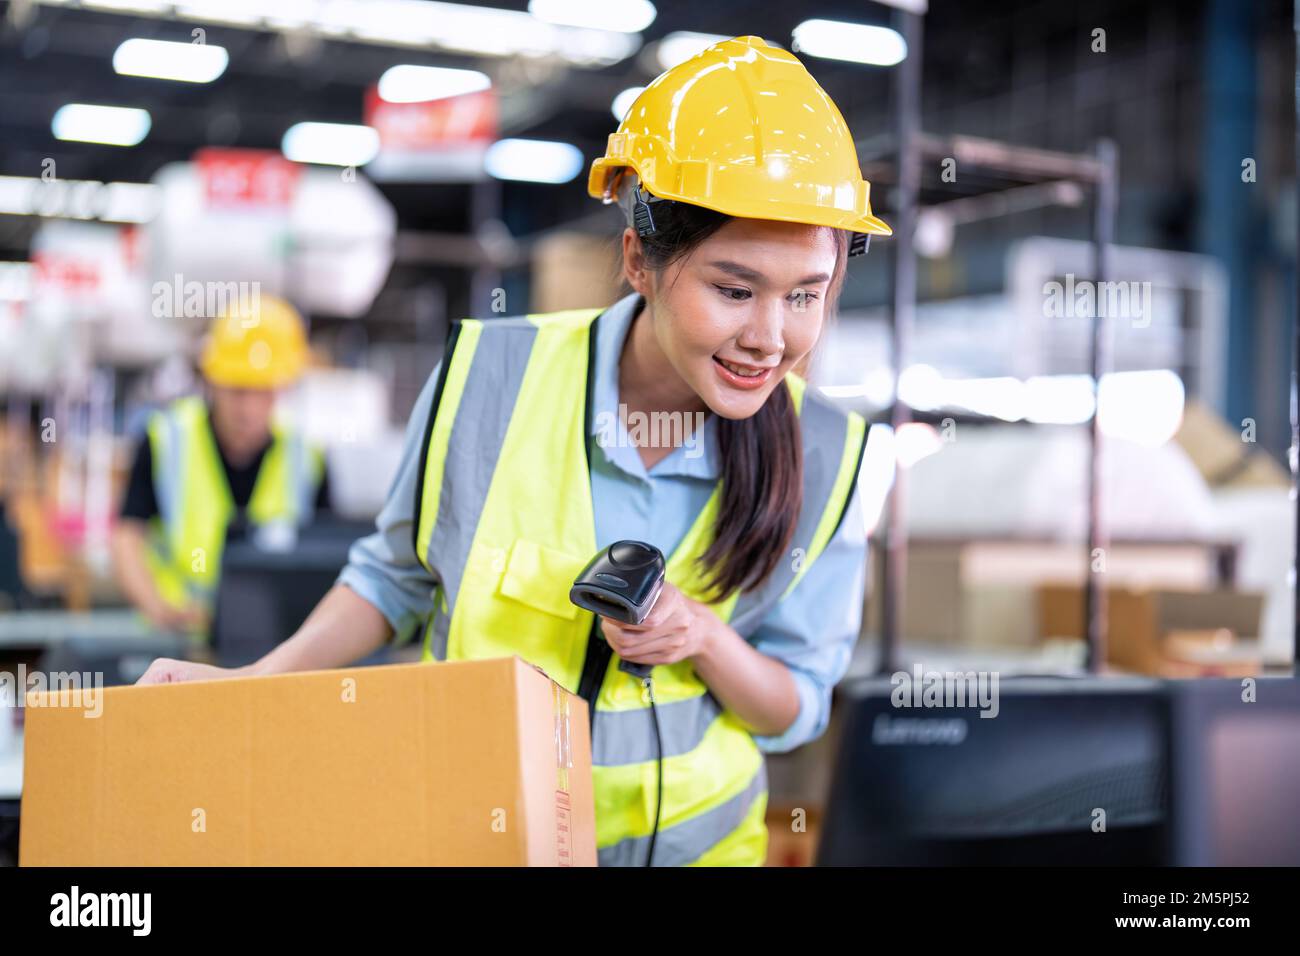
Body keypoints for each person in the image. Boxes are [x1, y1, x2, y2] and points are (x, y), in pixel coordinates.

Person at [138, 35, 891, 866]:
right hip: (481, 842)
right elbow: (394, 578)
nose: (769, 337)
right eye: (734, 289)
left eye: (806, 297)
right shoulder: (487, 375)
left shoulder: (832, 456)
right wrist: (256, 684)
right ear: (640, 257)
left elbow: (795, 709)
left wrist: (705, 638)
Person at [112, 295, 329, 637]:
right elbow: (128, 536)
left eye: (264, 392)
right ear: (212, 381)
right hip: (178, 642)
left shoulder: (307, 458)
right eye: (238, 391)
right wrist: (156, 607)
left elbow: (326, 554)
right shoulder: (164, 440)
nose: (249, 408)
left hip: (270, 644)